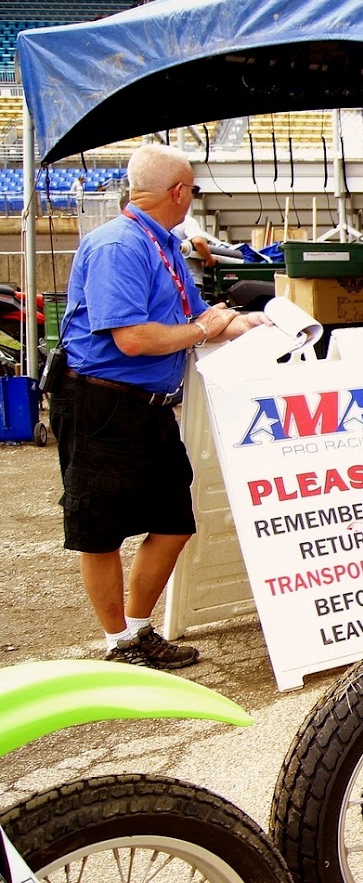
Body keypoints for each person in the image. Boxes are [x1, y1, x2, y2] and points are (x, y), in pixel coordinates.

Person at [52, 144, 265, 668]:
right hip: (100, 400)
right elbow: (134, 338)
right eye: (192, 189)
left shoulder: (163, 244)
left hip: (147, 405)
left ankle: (138, 627)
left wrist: (262, 326)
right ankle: (119, 642)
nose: (192, 198)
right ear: (178, 191)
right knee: (99, 529)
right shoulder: (118, 246)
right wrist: (202, 328)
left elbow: (205, 321)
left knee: (174, 520)